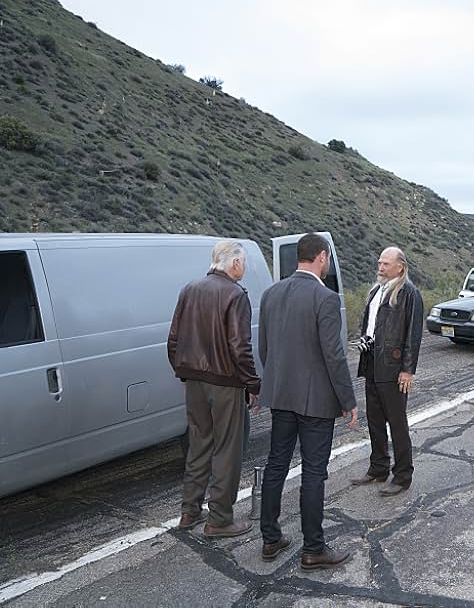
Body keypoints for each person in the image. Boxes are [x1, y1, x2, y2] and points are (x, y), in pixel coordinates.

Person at [257, 233, 358, 570]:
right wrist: (348, 400)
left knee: (276, 464)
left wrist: (277, 381)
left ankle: (271, 538)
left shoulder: (270, 294)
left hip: (281, 395)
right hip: (315, 402)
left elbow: (265, 350)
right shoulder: (324, 297)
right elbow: (334, 355)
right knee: (314, 473)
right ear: (322, 257)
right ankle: (313, 548)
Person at [167, 240, 261, 538]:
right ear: (234, 263)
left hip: (193, 381)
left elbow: (173, 339)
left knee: (199, 444)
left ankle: (189, 510)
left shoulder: (189, 289)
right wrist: (252, 382)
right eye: (243, 263)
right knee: (227, 450)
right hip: (225, 382)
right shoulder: (235, 294)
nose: (244, 268)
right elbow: (240, 346)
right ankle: (219, 519)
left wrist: (183, 371)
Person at [352, 247, 423, 496]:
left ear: (400, 267)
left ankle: (403, 475)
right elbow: (371, 325)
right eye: (379, 263)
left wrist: (407, 370)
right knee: (374, 420)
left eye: (385, 264)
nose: (380, 267)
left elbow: (413, 335)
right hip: (372, 362)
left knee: (397, 422)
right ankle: (378, 467)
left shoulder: (409, 293)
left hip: (393, 368)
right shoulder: (376, 290)